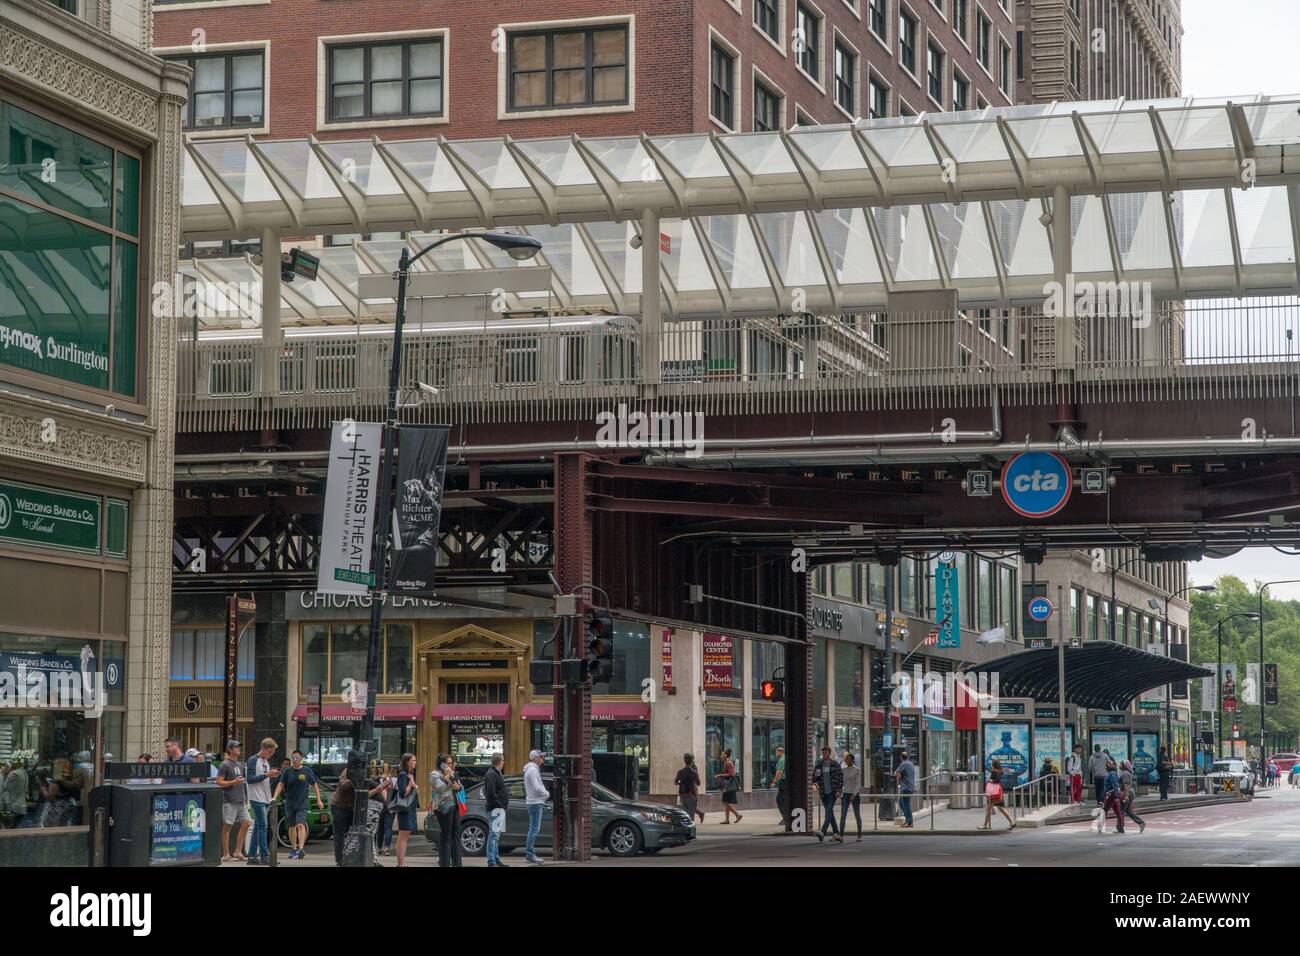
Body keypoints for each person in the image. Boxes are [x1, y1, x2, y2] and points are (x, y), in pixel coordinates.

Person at [271, 750, 321, 860]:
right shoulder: (288, 771)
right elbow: (280, 784)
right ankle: (293, 849)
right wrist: (274, 797)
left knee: (300, 824)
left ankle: (301, 848)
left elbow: (314, 785)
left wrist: (319, 800)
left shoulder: (307, 771)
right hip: (289, 803)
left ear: (301, 758)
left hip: (302, 802)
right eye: (293, 758)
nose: (295, 760)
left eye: (297, 758)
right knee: (291, 826)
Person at [329, 769, 385, 865]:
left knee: (353, 835)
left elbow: (367, 788)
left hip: (352, 807)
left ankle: (350, 858)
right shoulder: (349, 771)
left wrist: (377, 786)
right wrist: (356, 779)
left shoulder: (364, 771)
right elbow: (343, 786)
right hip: (340, 806)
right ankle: (340, 861)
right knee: (341, 835)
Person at [214, 740, 251, 862]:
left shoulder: (240, 765)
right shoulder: (224, 764)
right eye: (235, 747)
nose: (238, 749)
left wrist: (245, 798)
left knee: (247, 823)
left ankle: (238, 851)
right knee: (227, 826)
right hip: (229, 800)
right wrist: (233, 782)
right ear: (230, 750)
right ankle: (225, 854)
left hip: (240, 800)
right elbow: (219, 781)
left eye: (239, 747)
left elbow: (241, 782)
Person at [244, 738, 278, 866]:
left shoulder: (265, 761)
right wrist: (267, 775)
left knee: (259, 827)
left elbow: (262, 779)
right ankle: (264, 855)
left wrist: (271, 776)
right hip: (257, 798)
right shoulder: (253, 760)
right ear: (264, 749)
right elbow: (250, 779)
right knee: (263, 826)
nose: (271, 755)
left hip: (264, 797)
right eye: (270, 752)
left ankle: (252, 856)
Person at [429, 754, 459, 868]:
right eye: (448, 763)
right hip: (443, 807)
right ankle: (445, 863)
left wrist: (457, 786)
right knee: (446, 836)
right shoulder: (434, 774)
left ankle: (457, 863)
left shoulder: (450, 772)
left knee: (456, 835)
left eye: (451, 763)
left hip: (454, 805)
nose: (450, 765)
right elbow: (439, 788)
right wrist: (447, 777)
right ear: (441, 763)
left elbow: (459, 786)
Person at [391, 753, 419, 868]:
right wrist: (411, 785)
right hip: (404, 809)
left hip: (409, 808)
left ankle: (401, 863)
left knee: (405, 835)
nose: (415, 762)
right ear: (407, 762)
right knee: (403, 835)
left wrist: (413, 786)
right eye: (413, 760)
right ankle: (400, 863)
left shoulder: (409, 774)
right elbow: (403, 793)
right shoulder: (403, 775)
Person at [483, 753, 509, 868]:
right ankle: (491, 861)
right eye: (503, 760)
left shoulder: (496, 773)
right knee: (493, 835)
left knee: (496, 836)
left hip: (499, 809)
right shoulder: (491, 774)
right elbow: (490, 793)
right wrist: (499, 805)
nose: (504, 762)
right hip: (495, 809)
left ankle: (496, 859)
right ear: (499, 761)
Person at [811, 746, 842, 842]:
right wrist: (816, 776)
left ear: (829, 753)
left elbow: (840, 778)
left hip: (832, 792)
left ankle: (823, 832)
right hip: (823, 793)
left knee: (828, 811)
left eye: (825, 753)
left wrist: (839, 790)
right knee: (830, 813)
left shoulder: (835, 764)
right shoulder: (819, 765)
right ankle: (836, 833)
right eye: (823, 753)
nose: (824, 754)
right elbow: (814, 778)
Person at [523, 749, 548, 865]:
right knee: (534, 829)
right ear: (535, 758)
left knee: (533, 828)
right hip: (536, 802)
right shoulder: (533, 771)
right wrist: (546, 793)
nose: (542, 759)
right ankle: (530, 854)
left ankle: (530, 853)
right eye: (541, 757)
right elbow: (537, 787)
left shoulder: (531, 770)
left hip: (534, 802)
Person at [979, 759, 1015, 831]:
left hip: (994, 794)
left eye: (992, 764)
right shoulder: (999, 771)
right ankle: (1012, 822)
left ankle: (985, 825)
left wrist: (991, 780)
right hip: (998, 792)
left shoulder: (994, 771)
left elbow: (998, 780)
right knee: (1001, 809)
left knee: (988, 809)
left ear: (994, 765)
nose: (991, 765)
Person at [839, 752, 862, 841]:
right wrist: (840, 792)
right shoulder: (844, 770)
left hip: (854, 795)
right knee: (843, 815)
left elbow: (858, 783)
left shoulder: (857, 770)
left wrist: (854, 794)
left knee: (857, 814)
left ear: (852, 760)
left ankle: (859, 835)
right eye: (846, 759)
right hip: (845, 794)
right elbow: (842, 782)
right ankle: (841, 835)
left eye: (848, 759)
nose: (847, 760)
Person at [673, 754, 701, 828]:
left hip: (682, 795)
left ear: (684, 761)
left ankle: (684, 828)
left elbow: (675, 782)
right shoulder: (694, 772)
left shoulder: (680, 772)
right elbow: (698, 783)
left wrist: (681, 783)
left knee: (683, 813)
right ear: (691, 761)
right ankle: (690, 830)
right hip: (691, 795)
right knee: (690, 815)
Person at [716, 748, 742, 824]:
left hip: (729, 786)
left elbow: (732, 774)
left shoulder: (728, 763)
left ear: (725, 755)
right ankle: (727, 819)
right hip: (728, 786)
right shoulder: (727, 763)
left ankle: (737, 815)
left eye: (722, 754)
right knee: (726, 801)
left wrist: (720, 775)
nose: (721, 756)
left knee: (725, 802)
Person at [1119, 760, 1146, 833]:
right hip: (1130, 792)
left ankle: (1120, 827)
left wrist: (1126, 795)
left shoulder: (1125, 773)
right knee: (1127, 810)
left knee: (1121, 811)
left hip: (1127, 792)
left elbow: (1126, 785)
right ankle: (1141, 822)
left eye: (1121, 764)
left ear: (1124, 766)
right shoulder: (1127, 773)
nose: (1119, 765)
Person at [1100, 760, 1126, 834]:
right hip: (1113, 795)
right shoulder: (1112, 773)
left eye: (1107, 765)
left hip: (1111, 795)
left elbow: (1115, 785)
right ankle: (1121, 827)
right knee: (1118, 812)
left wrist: (1115, 794)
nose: (1106, 766)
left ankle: (1100, 826)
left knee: (1104, 810)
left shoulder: (1112, 774)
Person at [894, 750, 918, 829]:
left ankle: (909, 822)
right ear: (908, 757)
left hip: (906, 788)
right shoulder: (911, 763)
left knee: (906, 805)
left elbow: (895, 773)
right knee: (901, 802)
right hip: (911, 787)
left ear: (901, 757)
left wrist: (899, 775)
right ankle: (907, 820)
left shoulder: (903, 764)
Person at [771, 746, 786, 827]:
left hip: (783, 782)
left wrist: (774, 781)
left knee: (780, 799)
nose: (775, 754)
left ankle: (785, 818)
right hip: (785, 782)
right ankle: (786, 817)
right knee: (781, 799)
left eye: (776, 752)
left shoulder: (781, 760)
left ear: (780, 752)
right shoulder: (784, 759)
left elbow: (779, 772)